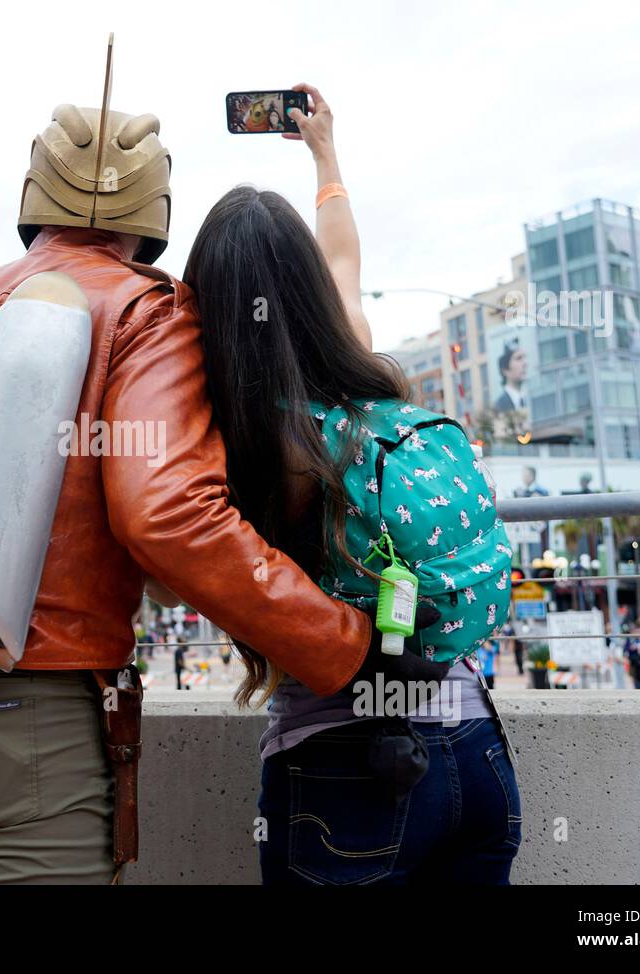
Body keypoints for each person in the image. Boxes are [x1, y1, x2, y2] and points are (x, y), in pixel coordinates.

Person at [0, 83, 404, 885]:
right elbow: (167, 513)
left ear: (33, 196)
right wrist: (346, 647)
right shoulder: (147, 313)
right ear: (153, 215)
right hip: (22, 716)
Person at [181, 82, 519, 884]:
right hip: (474, 746)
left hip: (346, 767)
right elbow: (341, 256)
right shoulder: (356, 362)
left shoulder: (247, 435)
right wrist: (325, 154)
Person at [493, 341, 528, 413]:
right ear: (505, 370)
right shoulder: (498, 407)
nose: (525, 363)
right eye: (519, 358)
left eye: (524, 357)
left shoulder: (529, 400)